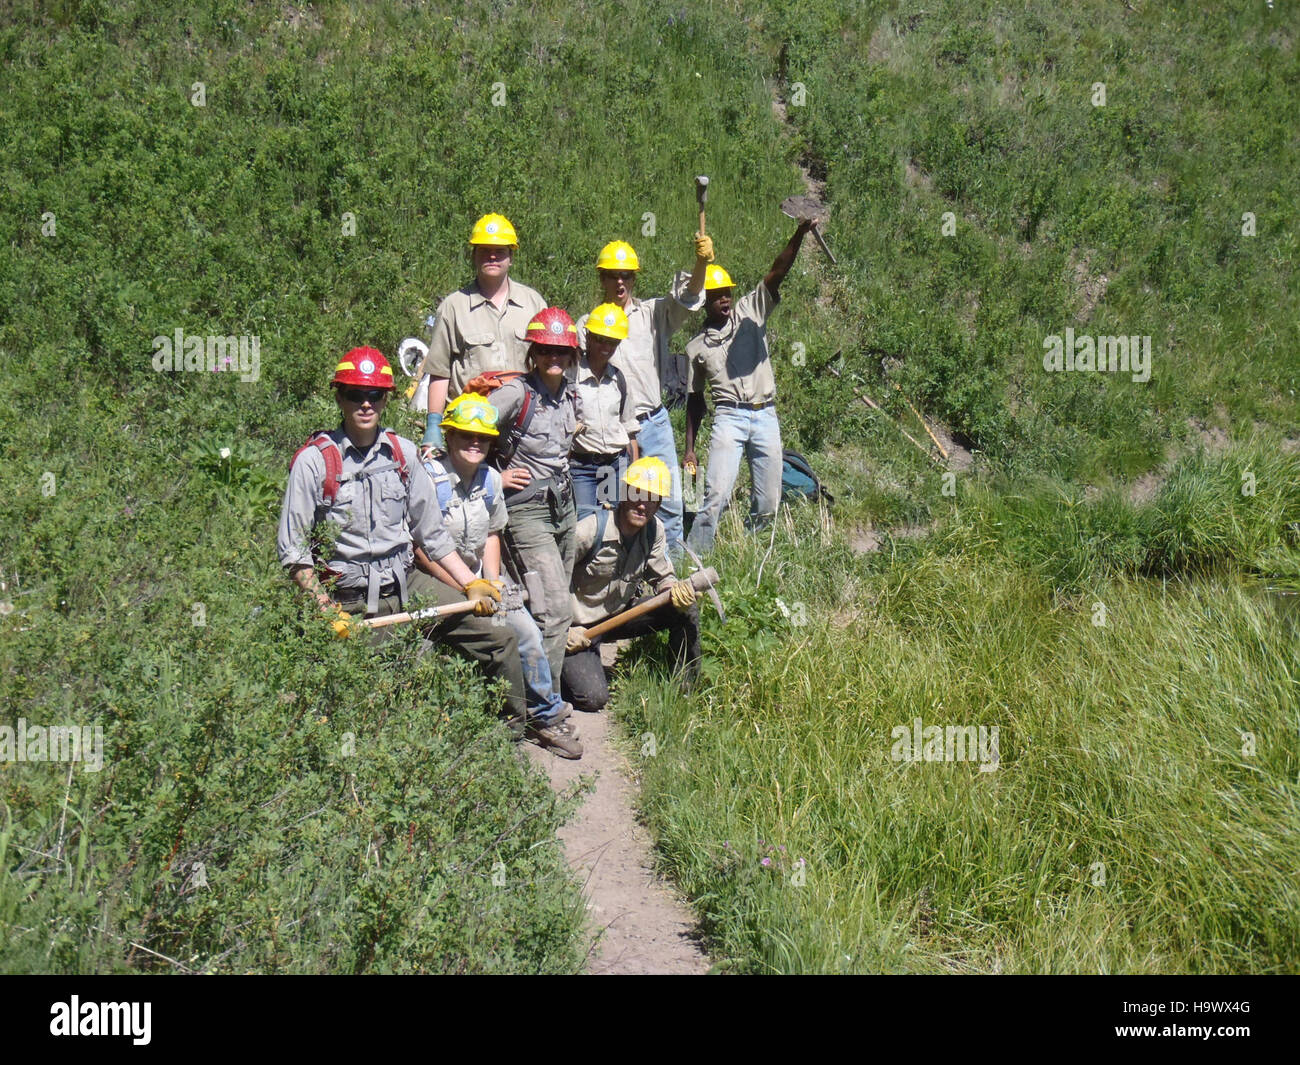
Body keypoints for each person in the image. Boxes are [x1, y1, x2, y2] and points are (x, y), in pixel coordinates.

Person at [277, 347, 526, 726]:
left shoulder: (402, 454)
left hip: (407, 583)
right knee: (380, 685)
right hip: (349, 597)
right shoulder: (315, 462)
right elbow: (295, 553)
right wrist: (325, 609)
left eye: (375, 395)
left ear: (386, 399)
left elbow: (432, 535)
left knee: (499, 637)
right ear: (339, 397)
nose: (365, 404)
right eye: (355, 394)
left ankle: (509, 737)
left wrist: (472, 583)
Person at [415, 393, 582, 759]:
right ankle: (512, 718)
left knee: (527, 633)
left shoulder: (491, 479)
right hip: (438, 581)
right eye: (465, 435)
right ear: (448, 436)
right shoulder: (428, 479)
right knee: (497, 637)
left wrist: (491, 581)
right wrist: (464, 588)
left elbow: (492, 532)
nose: (475, 443)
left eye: (483, 437)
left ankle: (544, 714)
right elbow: (422, 549)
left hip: (479, 577)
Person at [683, 220, 815, 554]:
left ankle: (754, 554)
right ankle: (696, 559)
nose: (725, 299)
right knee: (715, 495)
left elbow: (777, 271)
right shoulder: (696, 347)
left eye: (727, 292)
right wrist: (689, 448)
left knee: (768, 498)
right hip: (728, 418)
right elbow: (695, 401)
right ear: (704, 302)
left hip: (765, 414)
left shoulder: (750, 311)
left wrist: (798, 235)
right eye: (716, 296)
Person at [577, 236, 713, 557]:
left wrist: (701, 264)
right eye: (613, 275)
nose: (620, 281)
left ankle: (670, 578)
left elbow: (688, 297)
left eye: (627, 275)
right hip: (611, 431)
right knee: (614, 504)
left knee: (669, 504)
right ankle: (620, 579)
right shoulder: (587, 325)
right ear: (602, 279)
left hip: (653, 421)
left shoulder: (652, 315)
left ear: (635, 278)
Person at [562, 457, 701, 714]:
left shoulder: (654, 531)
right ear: (623, 494)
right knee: (593, 699)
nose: (642, 504)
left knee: (685, 608)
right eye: (636, 494)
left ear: (658, 504)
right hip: (578, 628)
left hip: (619, 616)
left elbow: (662, 576)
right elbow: (551, 582)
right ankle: (557, 667)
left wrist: (674, 589)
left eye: (651, 498)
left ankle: (684, 692)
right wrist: (561, 631)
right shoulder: (590, 530)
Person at [488, 308, 580, 685]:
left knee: (551, 608)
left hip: (564, 507)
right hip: (527, 510)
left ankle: (537, 692)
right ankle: (545, 707)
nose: (552, 358)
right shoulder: (516, 393)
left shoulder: (572, 396)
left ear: (572, 355)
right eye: (545, 350)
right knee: (554, 610)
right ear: (533, 354)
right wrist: (496, 476)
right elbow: (465, 429)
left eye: (560, 352)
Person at [417, 212, 546, 456]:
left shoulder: (534, 304)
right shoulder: (454, 307)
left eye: (500, 250)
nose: (493, 256)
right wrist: (433, 427)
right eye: (484, 250)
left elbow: (551, 363)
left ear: (511, 257)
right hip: (470, 428)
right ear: (474, 256)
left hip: (525, 427)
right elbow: (440, 372)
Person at [568, 302, 639, 521]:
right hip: (582, 467)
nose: (605, 346)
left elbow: (629, 428)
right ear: (588, 336)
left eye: (612, 341)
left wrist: (634, 471)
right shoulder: (570, 378)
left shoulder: (619, 378)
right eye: (600, 338)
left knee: (615, 521)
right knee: (585, 523)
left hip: (615, 465)